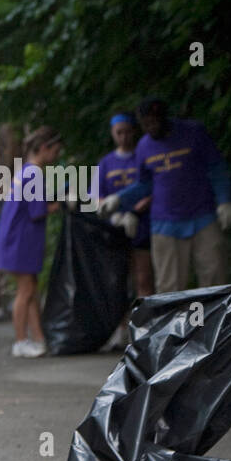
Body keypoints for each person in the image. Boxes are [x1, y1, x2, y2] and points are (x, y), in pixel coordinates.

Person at [101, 98, 231, 293]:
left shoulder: (193, 132)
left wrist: (225, 200)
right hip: (165, 224)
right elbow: (144, 184)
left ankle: (212, 323)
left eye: (153, 122)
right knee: (169, 288)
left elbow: (216, 168)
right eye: (145, 124)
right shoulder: (144, 146)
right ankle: (175, 323)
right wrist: (119, 199)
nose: (150, 128)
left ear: (163, 117)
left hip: (204, 217)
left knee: (215, 279)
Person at [0, 126, 63, 358]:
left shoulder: (25, 171)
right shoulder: (34, 173)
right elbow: (38, 211)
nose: (57, 155)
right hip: (20, 241)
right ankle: (21, 341)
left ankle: (38, 339)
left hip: (15, 239)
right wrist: (63, 202)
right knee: (25, 292)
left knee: (29, 289)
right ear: (44, 148)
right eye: (55, 150)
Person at [94, 112, 152, 348]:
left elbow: (151, 187)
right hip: (115, 231)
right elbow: (95, 195)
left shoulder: (142, 157)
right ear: (113, 134)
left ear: (134, 131)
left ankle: (145, 327)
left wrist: (135, 212)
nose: (124, 137)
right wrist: (114, 215)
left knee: (143, 277)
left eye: (128, 131)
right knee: (118, 281)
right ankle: (120, 328)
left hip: (142, 226)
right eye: (119, 133)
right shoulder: (106, 163)